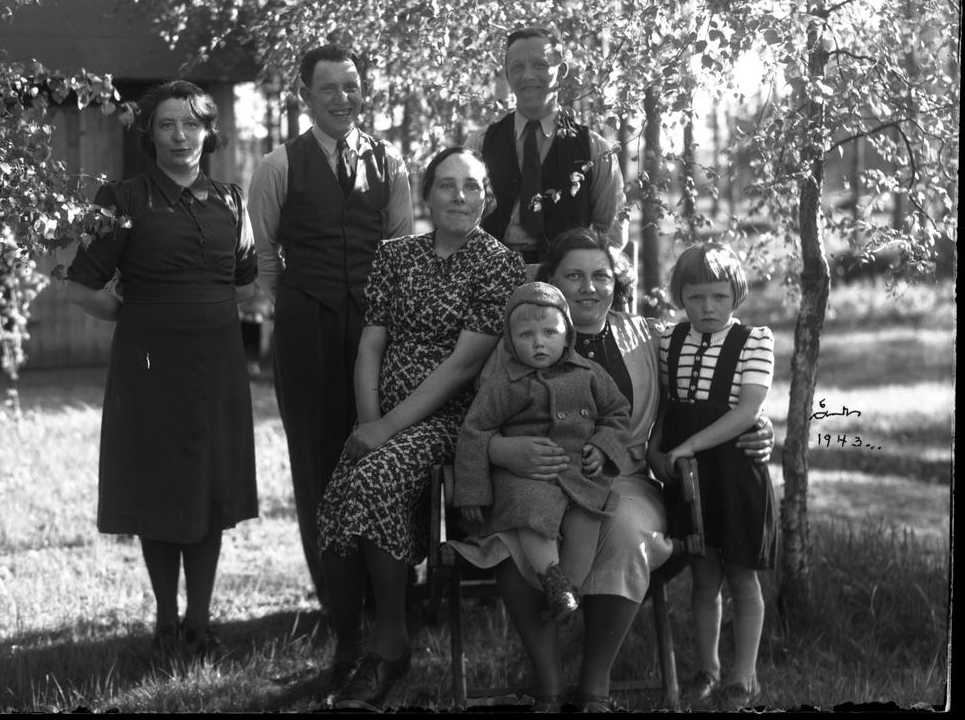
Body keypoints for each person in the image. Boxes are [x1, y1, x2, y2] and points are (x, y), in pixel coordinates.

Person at [476, 229, 775, 711]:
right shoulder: (520, 337)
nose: (589, 287)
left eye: (602, 275)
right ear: (550, 279)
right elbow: (477, 421)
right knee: (513, 541)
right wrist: (502, 452)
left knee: (628, 531)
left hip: (624, 480)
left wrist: (762, 424)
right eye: (574, 275)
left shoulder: (649, 337)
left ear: (618, 282)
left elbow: (717, 373)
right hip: (533, 478)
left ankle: (595, 687)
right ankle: (548, 685)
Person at [317, 147, 525, 710]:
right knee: (338, 498)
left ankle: (389, 642)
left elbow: (462, 365)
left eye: (473, 187)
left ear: (488, 198)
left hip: (452, 416)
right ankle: (351, 645)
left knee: (373, 477)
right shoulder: (394, 255)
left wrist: (385, 430)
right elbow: (372, 343)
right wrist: (368, 422)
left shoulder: (496, 263)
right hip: (379, 414)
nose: (460, 196)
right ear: (427, 194)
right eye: (447, 185)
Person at [66, 80, 258, 661]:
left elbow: (245, 285)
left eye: (192, 124)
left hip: (218, 364)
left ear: (208, 132)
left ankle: (201, 622)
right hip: (148, 363)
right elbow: (81, 288)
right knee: (159, 486)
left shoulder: (232, 199)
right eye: (168, 125)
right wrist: (141, 316)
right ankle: (167, 622)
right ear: (149, 134)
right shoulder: (118, 200)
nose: (181, 136)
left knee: (210, 488)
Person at [248, 44, 414, 609]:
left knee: (381, 448)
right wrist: (304, 302)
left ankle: (388, 596)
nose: (344, 99)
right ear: (305, 97)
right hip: (307, 326)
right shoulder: (278, 166)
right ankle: (337, 606)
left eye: (352, 86)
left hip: (376, 329)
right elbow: (265, 257)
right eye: (329, 89)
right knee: (318, 457)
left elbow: (399, 251)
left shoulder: (389, 163)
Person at [453, 281, 633, 624]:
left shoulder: (589, 373)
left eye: (549, 332)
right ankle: (552, 577)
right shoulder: (506, 382)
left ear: (567, 335)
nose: (538, 342)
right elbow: (475, 430)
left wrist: (604, 446)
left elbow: (617, 413)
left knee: (588, 517)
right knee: (528, 509)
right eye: (526, 335)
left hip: (578, 471)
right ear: (510, 340)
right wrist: (473, 491)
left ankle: (568, 592)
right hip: (525, 476)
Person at [650, 242, 777, 709]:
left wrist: (687, 446)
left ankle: (744, 676)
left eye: (719, 297)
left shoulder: (755, 340)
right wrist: (656, 449)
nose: (707, 307)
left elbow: (748, 410)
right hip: (685, 473)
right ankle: (707, 669)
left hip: (735, 468)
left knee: (741, 575)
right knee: (703, 575)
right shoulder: (669, 340)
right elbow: (666, 404)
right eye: (696, 296)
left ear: (736, 295)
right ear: (680, 296)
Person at [464, 27, 627, 264]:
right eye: (517, 67)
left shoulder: (595, 150)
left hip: (565, 284)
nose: (528, 75)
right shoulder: (479, 145)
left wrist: (581, 275)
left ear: (561, 71)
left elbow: (611, 231)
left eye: (540, 65)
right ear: (508, 76)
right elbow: (460, 218)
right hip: (490, 281)